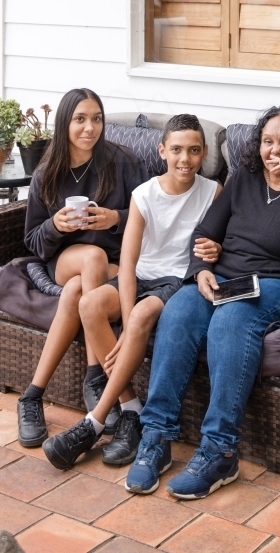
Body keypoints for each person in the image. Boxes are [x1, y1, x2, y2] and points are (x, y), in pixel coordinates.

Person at [124, 106, 280, 500]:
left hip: (278, 284)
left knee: (232, 319)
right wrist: (200, 269)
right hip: (225, 278)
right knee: (178, 312)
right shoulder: (243, 179)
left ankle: (220, 451)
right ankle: (156, 437)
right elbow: (205, 231)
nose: (275, 150)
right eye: (268, 141)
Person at [40, 114, 222, 470]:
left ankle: (93, 422)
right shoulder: (144, 194)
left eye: (194, 150)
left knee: (140, 316)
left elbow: (222, 239)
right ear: (162, 151)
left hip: (176, 280)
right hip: (139, 275)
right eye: (177, 150)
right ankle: (132, 409)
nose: (185, 159)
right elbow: (127, 262)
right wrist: (123, 326)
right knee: (89, 304)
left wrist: (216, 248)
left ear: (204, 153)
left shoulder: (213, 191)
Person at [17, 87, 143, 448]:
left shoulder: (123, 161)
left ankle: (31, 395)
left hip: (116, 263)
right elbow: (33, 241)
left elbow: (148, 216)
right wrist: (56, 225)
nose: (90, 127)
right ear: (65, 124)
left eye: (97, 119)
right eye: (80, 119)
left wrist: (115, 219)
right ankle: (95, 375)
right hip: (65, 260)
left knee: (77, 291)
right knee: (91, 258)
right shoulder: (47, 172)